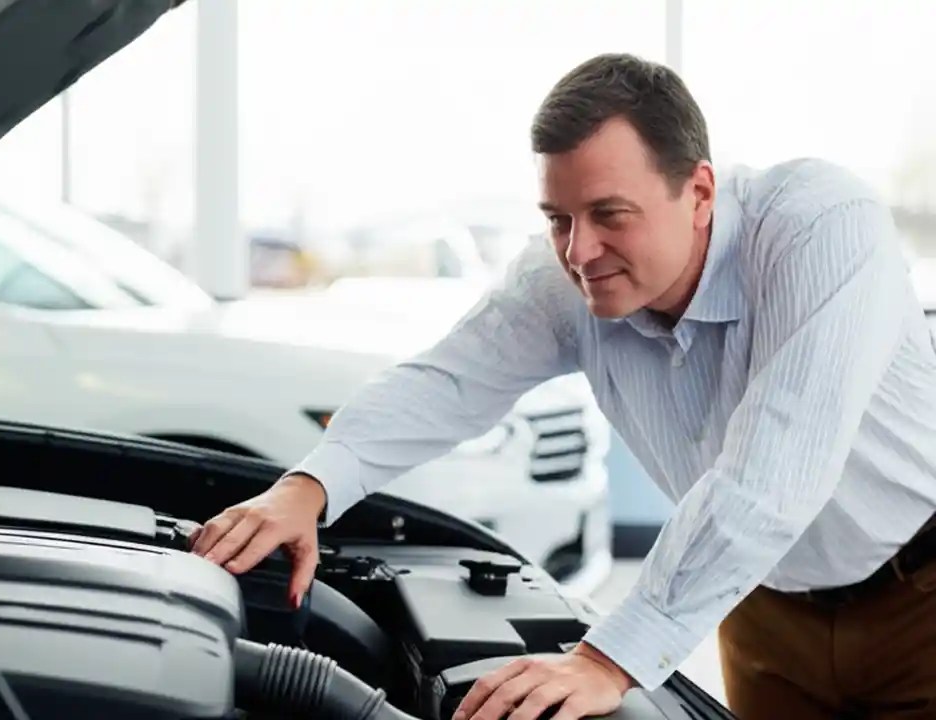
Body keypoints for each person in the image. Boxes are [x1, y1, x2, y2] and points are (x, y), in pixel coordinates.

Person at [190, 52, 936, 720]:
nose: (580, 251)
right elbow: (448, 382)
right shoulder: (565, 279)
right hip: (763, 609)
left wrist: (605, 659)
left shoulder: (820, 228)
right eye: (558, 219)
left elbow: (769, 478)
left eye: (610, 214)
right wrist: (310, 486)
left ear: (700, 191)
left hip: (920, 602)